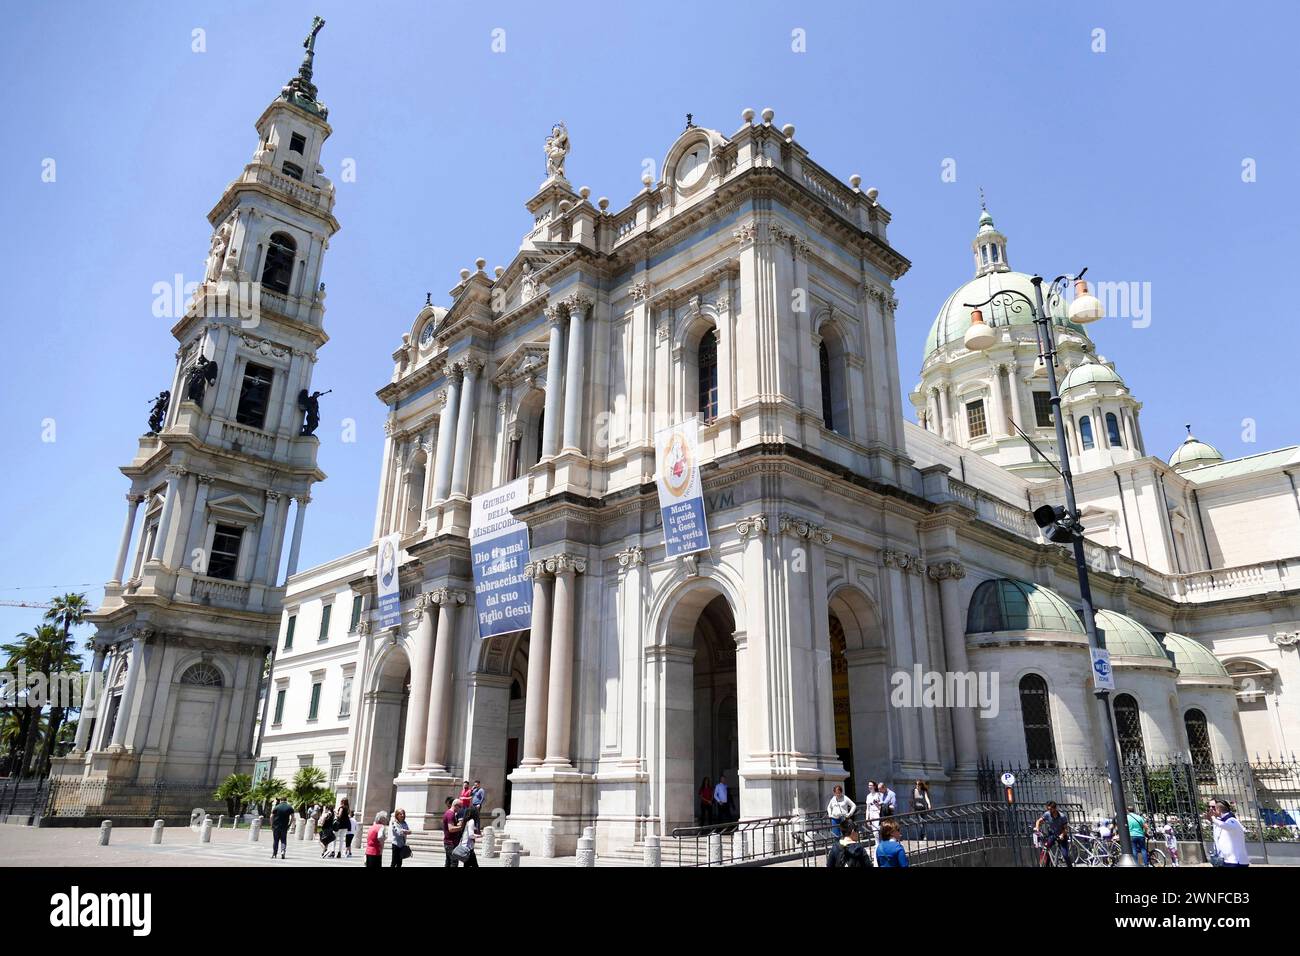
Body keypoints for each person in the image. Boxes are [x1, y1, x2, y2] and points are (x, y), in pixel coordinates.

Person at [1208, 799, 1249, 867]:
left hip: (1236, 861)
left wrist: (1213, 818)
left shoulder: (1231, 820)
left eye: (1213, 808)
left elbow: (1227, 826)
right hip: (1229, 860)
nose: (1211, 810)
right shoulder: (1223, 821)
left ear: (1218, 809)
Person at [1034, 801, 1072, 867]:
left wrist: (1062, 835)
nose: (1049, 811)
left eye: (1050, 809)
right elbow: (1039, 821)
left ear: (1055, 808)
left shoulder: (1062, 817)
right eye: (1048, 809)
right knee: (1046, 850)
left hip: (1061, 836)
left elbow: (1066, 829)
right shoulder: (1047, 814)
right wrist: (1037, 827)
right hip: (1052, 835)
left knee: (1065, 855)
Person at [442, 796, 464, 867]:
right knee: (454, 863)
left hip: (449, 842)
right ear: (456, 805)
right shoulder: (450, 814)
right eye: (460, 807)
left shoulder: (449, 813)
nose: (461, 809)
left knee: (448, 862)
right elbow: (451, 829)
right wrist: (461, 827)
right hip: (451, 843)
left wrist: (458, 824)